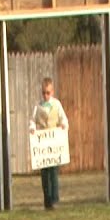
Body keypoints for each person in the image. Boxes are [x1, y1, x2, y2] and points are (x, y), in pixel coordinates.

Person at [29, 77, 70, 210]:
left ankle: (54, 198)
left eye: (48, 92)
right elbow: (32, 120)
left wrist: (63, 125)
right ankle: (47, 199)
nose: (45, 95)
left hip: (53, 142)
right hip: (42, 144)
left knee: (53, 171)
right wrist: (33, 128)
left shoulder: (56, 105)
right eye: (43, 93)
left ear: (52, 92)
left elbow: (63, 118)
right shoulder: (38, 106)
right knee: (45, 173)